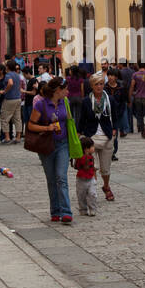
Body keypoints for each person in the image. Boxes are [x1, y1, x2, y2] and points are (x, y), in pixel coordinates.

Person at [27, 75, 72, 223]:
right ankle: (55, 210)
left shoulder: (65, 102)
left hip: (63, 144)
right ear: (58, 90)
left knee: (61, 177)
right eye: (65, 89)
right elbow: (31, 125)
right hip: (47, 145)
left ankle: (66, 212)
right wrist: (47, 127)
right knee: (52, 179)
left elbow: (70, 122)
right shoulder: (41, 104)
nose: (68, 92)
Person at [78, 72, 116, 201]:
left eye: (101, 84)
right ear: (92, 86)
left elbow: (115, 116)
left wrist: (114, 129)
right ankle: (92, 190)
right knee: (92, 167)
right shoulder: (87, 101)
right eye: (96, 84)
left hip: (106, 136)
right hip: (91, 137)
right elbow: (82, 119)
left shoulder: (110, 100)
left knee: (105, 169)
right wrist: (78, 135)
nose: (99, 87)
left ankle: (106, 186)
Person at [73, 135, 98, 216]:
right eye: (92, 146)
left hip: (90, 179)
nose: (94, 148)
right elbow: (76, 166)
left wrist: (95, 176)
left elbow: (93, 168)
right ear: (86, 148)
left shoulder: (92, 157)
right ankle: (83, 209)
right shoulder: (79, 157)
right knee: (81, 195)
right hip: (81, 179)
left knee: (92, 194)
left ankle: (92, 209)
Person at [129, 59, 145, 137]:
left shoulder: (135, 74)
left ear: (138, 65)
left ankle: (141, 128)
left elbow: (132, 86)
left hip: (137, 97)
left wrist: (129, 97)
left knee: (139, 114)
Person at [0, 59, 24, 142]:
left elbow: (10, 83)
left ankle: (7, 137)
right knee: (17, 119)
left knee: (4, 118)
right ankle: (18, 137)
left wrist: (4, 91)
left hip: (10, 99)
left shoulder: (8, 75)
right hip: (18, 98)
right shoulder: (17, 75)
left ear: (7, 67)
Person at [106, 70, 126, 160]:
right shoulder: (104, 87)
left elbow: (123, 102)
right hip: (106, 114)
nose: (110, 77)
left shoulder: (120, 88)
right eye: (109, 75)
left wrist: (120, 112)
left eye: (112, 75)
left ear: (116, 77)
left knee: (115, 134)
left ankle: (113, 152)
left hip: (117, 114)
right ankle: (106, 152)